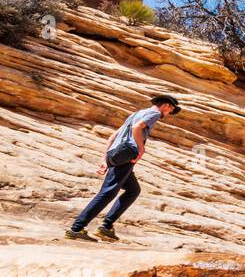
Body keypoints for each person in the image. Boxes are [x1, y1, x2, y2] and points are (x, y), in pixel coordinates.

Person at [65, 94, 181, 243]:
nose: (169, 113)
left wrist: (106, 160)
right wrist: (141, 149)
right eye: (171, 110)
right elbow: (137, 128)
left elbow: (112, 137)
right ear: (166, 105)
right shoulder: (155, 113)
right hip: (126, 155)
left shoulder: (136, 113)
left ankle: (106, 228)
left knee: (133, 190)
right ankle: (76, 229)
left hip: (115, 154)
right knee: (107, 193)